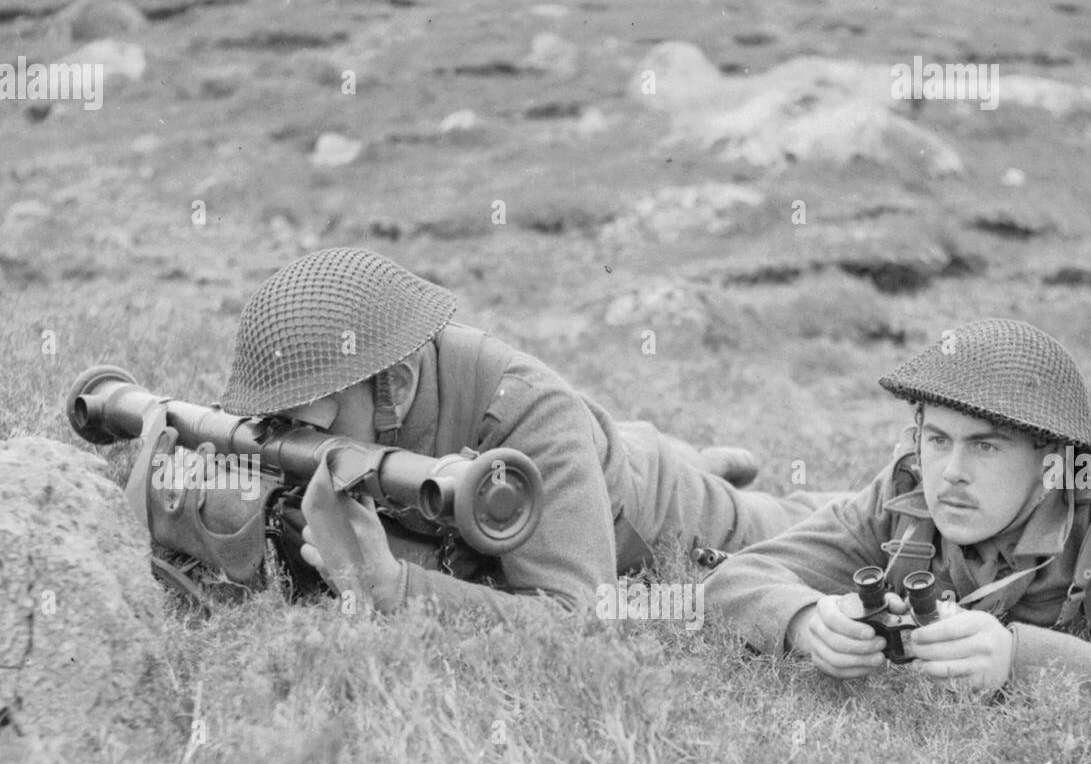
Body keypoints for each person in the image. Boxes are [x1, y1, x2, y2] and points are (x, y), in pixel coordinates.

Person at [703, 318, 1091, 731]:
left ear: (1051, 462)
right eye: (937, 440)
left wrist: (1018, 661)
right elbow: (737, 580)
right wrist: (805, 622)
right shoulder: (905, 495)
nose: (951, 474)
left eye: (985, 448)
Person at [215, 247, 846, 614]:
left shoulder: (532, 412)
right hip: (595, 450)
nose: (295, 446)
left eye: (312, 428)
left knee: (786, 521)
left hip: (652, 507)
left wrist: (400, 588)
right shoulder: (358, 398)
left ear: (397, 387)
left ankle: (718, 477)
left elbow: (576, 619)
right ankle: (706, 457)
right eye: (280, 426)